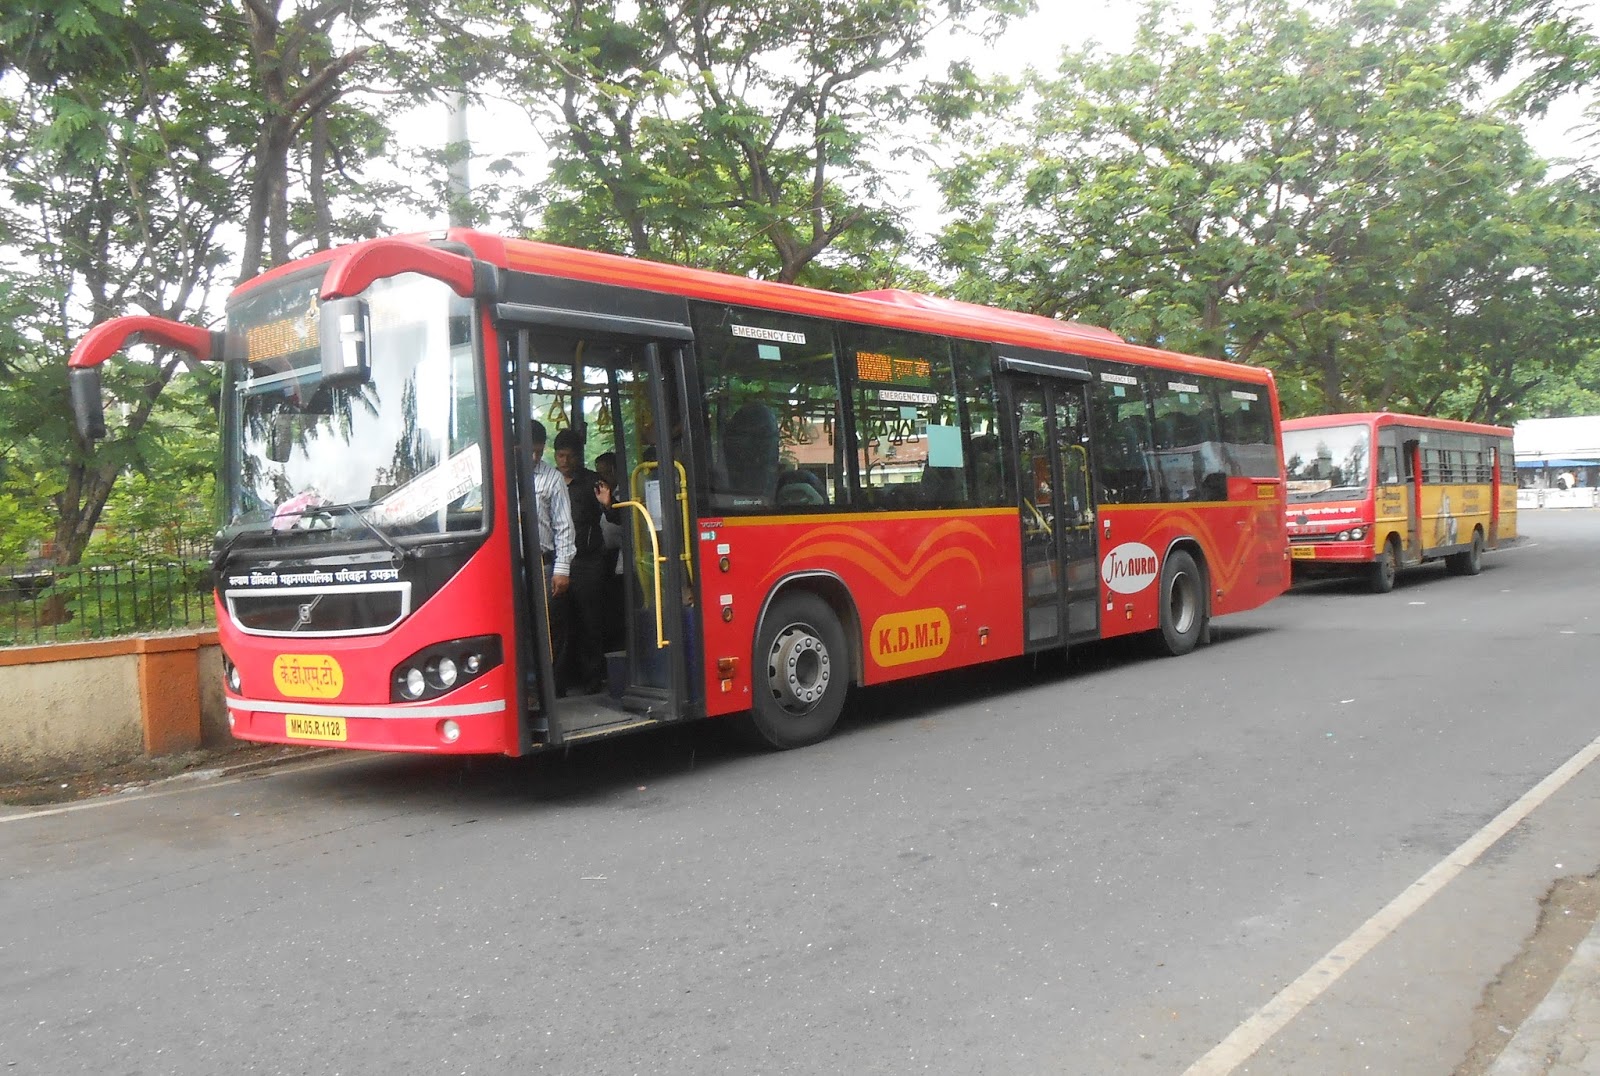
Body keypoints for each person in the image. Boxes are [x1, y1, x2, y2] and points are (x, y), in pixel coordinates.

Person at [551, 427, 609, 696]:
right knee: (558, 625)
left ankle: (592, 681)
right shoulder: (549, 482)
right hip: (558, 561)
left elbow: (618, 516)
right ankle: (558, 684)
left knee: (590, 623)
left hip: (588, 561)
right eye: (560, 455)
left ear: (579, 456)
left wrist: (609, 505)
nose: (564, 461)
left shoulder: (593, 482)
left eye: (569, 456)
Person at [529, 420, 575, 602]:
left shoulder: (553, 479)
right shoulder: (497, 473)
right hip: (504, 566)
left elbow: (563, 526)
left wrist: (562, 569)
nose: (533, 457)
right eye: (529, 451)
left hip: (541, 564)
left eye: (538, 452)